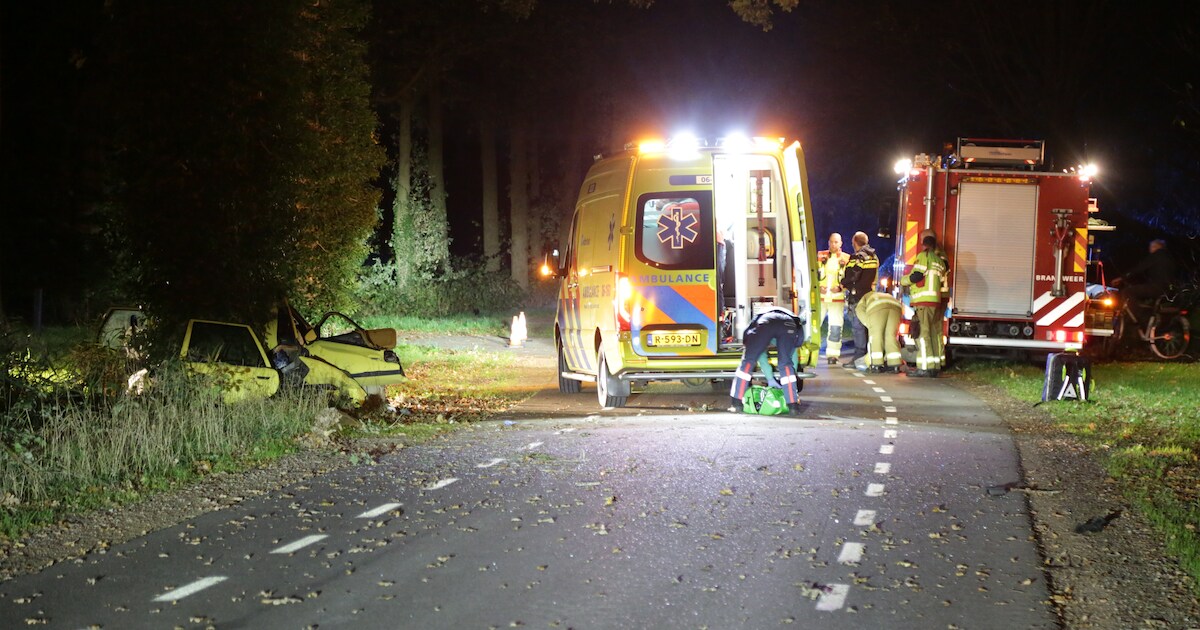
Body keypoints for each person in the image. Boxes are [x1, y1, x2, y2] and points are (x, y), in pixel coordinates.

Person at [729, 306, 805, 416]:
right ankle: (793, 406)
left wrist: (769, 378)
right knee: (786, 364)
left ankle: (736, 404)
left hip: (764, 323)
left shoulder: (758, 319)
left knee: (748, 362)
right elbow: (792, 358)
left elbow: (759, 355)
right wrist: (792, 385)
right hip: (788, 325)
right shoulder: (792, 319)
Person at [902, 234, 949, 377]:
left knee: (923, 334)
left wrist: (903, 280)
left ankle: (924, 367)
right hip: (935, 301)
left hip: (923, 300)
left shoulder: (924, 256)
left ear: (924, 245)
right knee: (934, 333)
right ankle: (934, 366)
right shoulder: (940, 261)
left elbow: (916, 276)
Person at [840, 231, 879, 369]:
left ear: (855, 242)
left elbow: (852, 276)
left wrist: (843, 282)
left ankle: (859, 357)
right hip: (870, 295)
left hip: (857, 296)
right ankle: (868, 356)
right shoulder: (873, 256)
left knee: (858, 327)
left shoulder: (858, 257)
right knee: (867, 326)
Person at [1112, 239, 1175, 310]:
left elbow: (1139, 269)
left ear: (1156, 246)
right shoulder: (1170, 257)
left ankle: (1139, 316)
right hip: (1169, 290)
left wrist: (1121, 278)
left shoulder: (1155, 256)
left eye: (1150, 247)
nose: (1149, 249)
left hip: (1157, 288)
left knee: (1127, 292)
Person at [817, 233, 850, 365]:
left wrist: (842, 287)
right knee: (814, 326)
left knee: (835, 327)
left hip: (837, 298)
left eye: (836, 242)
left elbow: (850, 277)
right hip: (820, 298)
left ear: (841, 243)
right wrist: (818, 287)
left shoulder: (846, 258)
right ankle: (809, 350)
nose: (833, 245)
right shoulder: (820, 256)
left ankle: (833, 355)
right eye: (831, 242)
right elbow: (812, 272)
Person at [855, 290, 904, 373]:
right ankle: (895, 365)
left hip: (877, 308)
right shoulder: (884, 294)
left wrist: (869, 324)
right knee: (891, 336)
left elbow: (859, 311)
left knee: (876, 336)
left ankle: (876, 365)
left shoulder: (864, 298)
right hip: (896, 307)